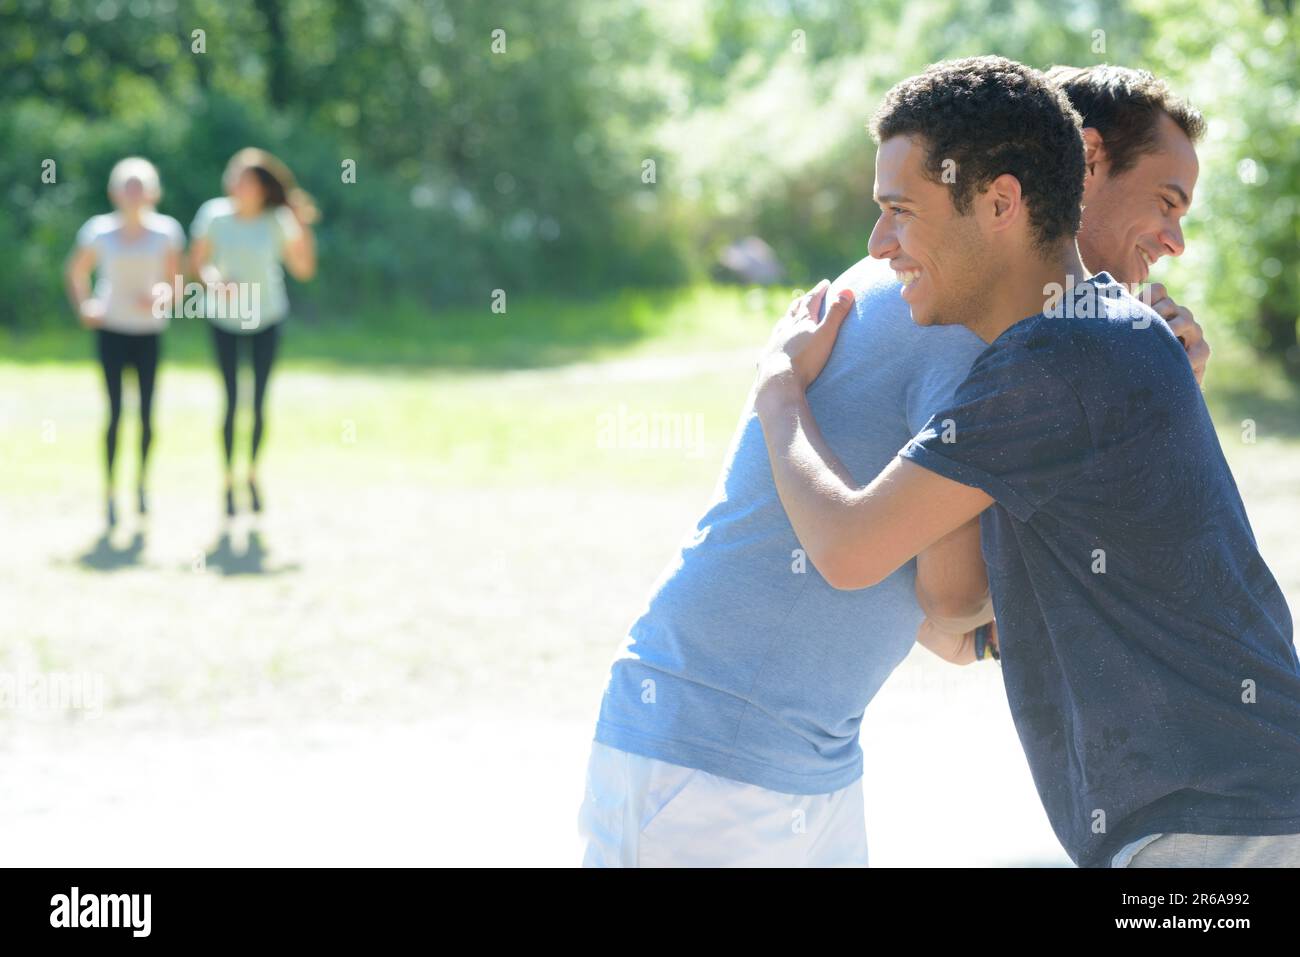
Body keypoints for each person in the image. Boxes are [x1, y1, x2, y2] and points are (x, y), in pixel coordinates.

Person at [578, 61, 1213, 866]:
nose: (1174, 240)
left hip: (800, 753)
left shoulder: (1021, 325)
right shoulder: (958, 315)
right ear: (1079, 166)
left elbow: (941, 623)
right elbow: (952, 595)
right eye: (1165, 202)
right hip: (714, 754)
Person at [753, 56, 1300, 868]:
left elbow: (847, 547)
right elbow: (956, 605)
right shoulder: (1107, 331)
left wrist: (776, 387)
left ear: (1001, 202)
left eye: (900, 210)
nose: (878, 245)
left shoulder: (1057, 359)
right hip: (1223, 815)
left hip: (1219, 832)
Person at [190, 148, 317, 517]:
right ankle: (228, 479)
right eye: (235, 178)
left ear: (262, 188)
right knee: (231, 401)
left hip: (267, 318)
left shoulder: (277, 220)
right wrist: (216, 284)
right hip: (225, 319)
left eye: (246, 181)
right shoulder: (213, 215)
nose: (238, 186)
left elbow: (304, 270)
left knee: (259, 402)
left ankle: (253, 473)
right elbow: (198, 263)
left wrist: (302, 226)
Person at [65, 157, 184, 528]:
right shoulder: (98, 232)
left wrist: (161, 298)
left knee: (147, 414)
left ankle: (142, 483)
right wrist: (86, 305)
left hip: (148, 332)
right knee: (115, 413)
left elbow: (176, 284)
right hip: (111, 330)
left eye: (140, 186)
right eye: (127, 186)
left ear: (152, 192)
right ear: (115, 192)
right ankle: (111, 489)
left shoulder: (166, 232)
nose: (134, 193)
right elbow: (75, 271)